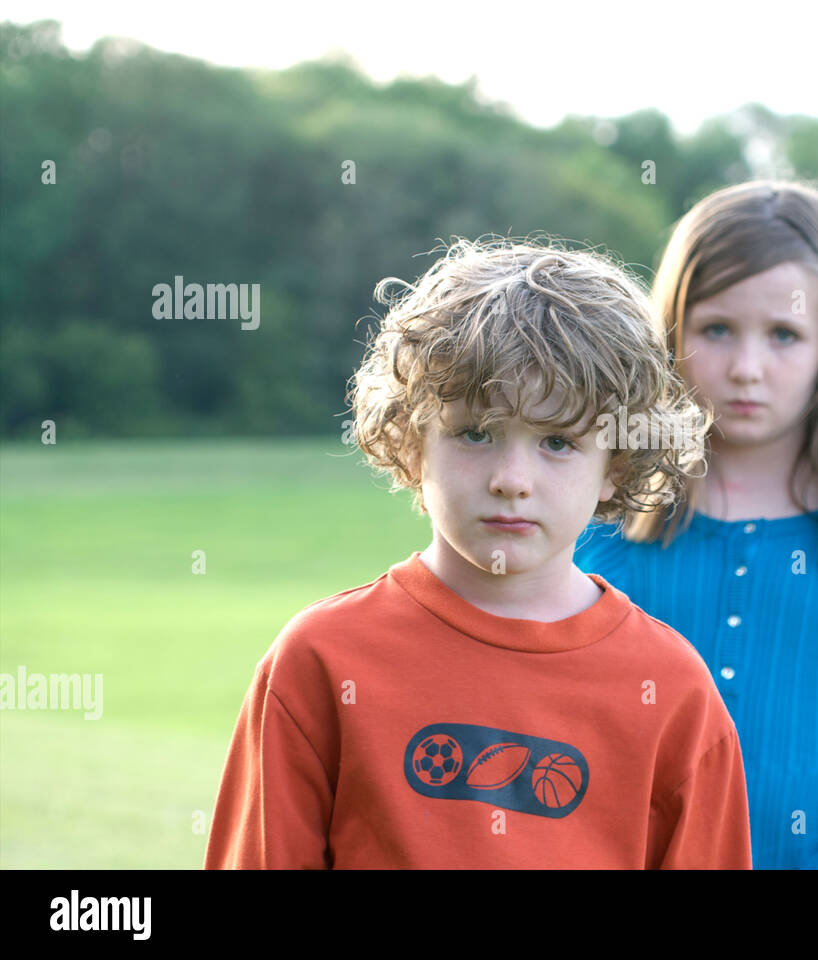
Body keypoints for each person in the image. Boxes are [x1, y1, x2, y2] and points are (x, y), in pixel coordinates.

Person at [203, 238, 751, 869]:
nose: (511, 478)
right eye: (475, 433)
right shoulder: (322, 661)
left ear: (616, 465)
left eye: (558, 442)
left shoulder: (673, 690)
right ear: (412, 443)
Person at [574, 180, 818, 868]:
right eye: (717, 329)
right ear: (671, 334)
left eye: (784, 335)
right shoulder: (602, 520)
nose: (747, 369)